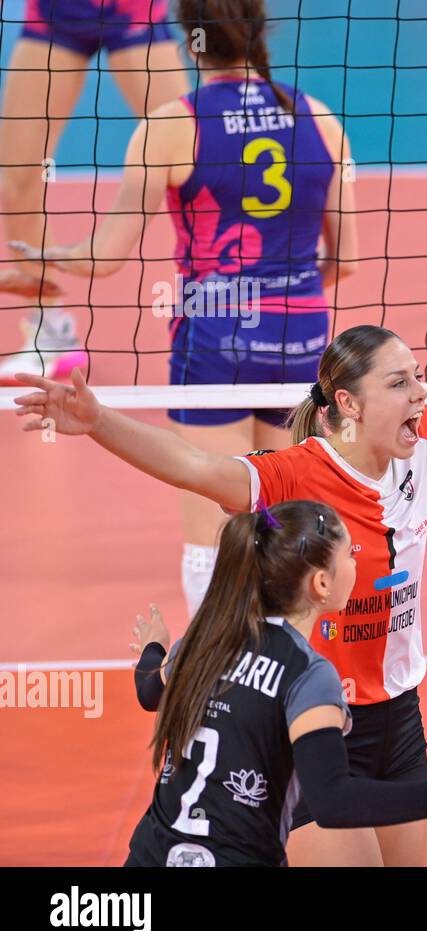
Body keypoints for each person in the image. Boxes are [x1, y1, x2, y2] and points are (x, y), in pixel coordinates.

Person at [13, 220, 427, 866]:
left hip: (399, 717)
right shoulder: (297, 475)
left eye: (419, 376)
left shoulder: (425, 441)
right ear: (348, 404)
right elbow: (192, 465)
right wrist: (96, 422)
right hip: (314, 721)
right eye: (401, 383)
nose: (422, 392)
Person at [12, 0, 358, 620]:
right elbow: (348, 260)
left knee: (212, 526)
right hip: (300, 343)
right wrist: (287, 290)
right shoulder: (321, 119)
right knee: (278, 516)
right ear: (259, 30)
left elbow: (109, 256)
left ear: (190, 43)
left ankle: (217, 688)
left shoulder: (173, 126)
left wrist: (45, 255)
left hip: (213, 347)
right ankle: (289, 672)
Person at [124, 499, 427, 867]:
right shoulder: (308, 675)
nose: (358, 565)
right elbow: (332, 800)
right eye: (350, 556)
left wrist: (154, 649)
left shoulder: (203, 640)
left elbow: (149, 691)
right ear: (321, 584)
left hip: (150, 856)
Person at [1, 0, 189, 382]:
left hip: (132, 10)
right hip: (56, 12)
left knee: (194, 159)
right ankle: (49, 329)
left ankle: (229, 310)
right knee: (14, 178)